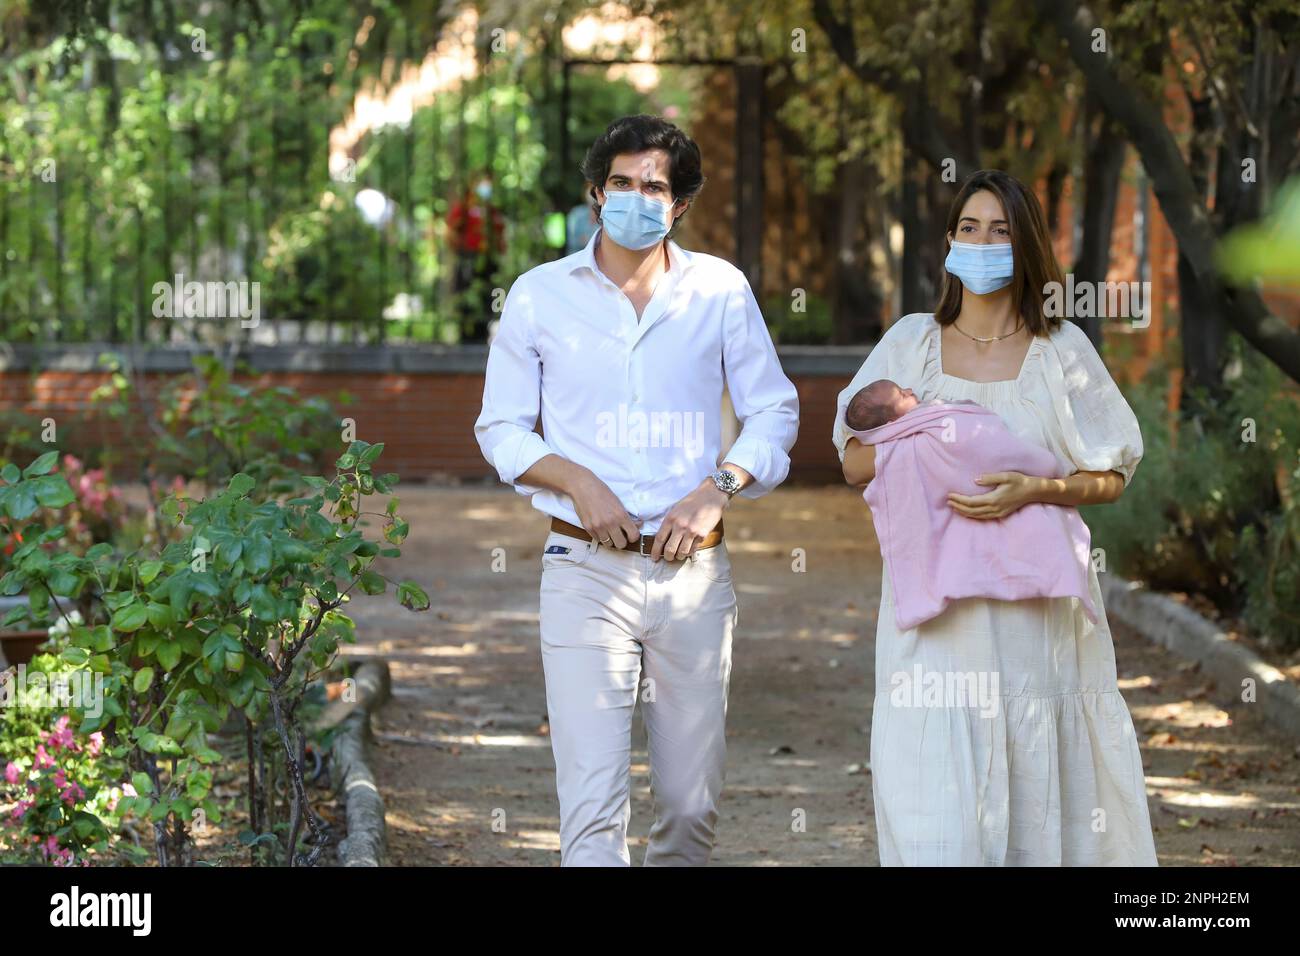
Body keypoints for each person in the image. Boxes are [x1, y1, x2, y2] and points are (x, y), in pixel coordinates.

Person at [475, 114, 799, 866]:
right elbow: (501, 429)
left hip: (693, 577)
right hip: (584, 570)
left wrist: (719, 486)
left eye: (654, 186)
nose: (635, 197)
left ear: (679, 204)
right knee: (591, 817)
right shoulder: (538, 294)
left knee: (689, 812)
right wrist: (576, 479)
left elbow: (774, 409)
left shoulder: (720, 290)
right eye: (620, 183)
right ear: (595, 193)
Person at [833, 169, 1158, 866]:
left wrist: (1035, 491)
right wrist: (922, 443)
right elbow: (853, 460)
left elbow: (1113, 474)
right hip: (935, 624)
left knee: (1037, 797)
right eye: (970, 228)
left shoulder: (1062, 350)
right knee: (934, 815)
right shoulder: (910, 346)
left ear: (1027, 246)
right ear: (949, 242)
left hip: (1035, 624)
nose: (983, 242)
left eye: (1002, 230)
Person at [844, 378, 1098, 631]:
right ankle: (1036, 464)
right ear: (892, 422)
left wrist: (1039, 488)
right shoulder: (916, 424)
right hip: (977, 472)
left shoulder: (929, 416)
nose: (910, 390)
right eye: (902, 393)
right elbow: (853, 470)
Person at [447, 173, 504, 343]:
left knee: (487, 297)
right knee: (467, 300)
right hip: (468, 258)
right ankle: (465, 335)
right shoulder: (463, 208)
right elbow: (451, 231)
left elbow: (500, 235)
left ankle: (482, 334)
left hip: (487, 261)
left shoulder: (492, 210)